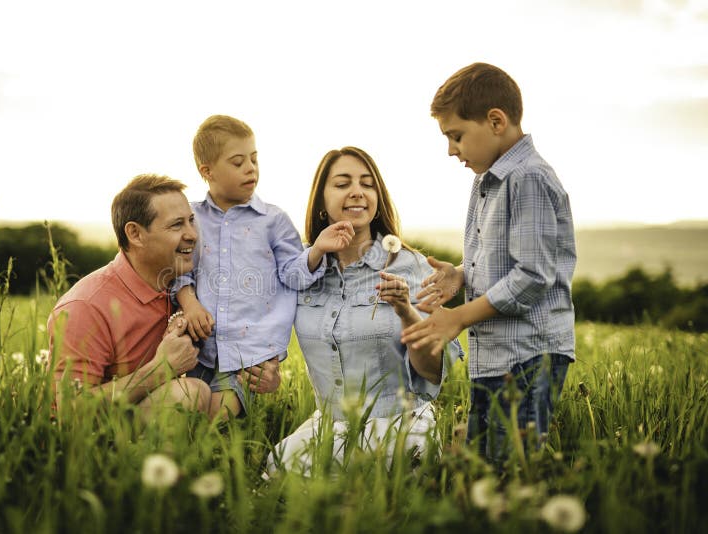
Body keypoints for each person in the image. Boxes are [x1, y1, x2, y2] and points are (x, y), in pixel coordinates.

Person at [401, 63, 576, 462]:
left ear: (496, 120)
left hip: (529, 353)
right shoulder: (487, 180)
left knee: (510, 466)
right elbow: (500, 260)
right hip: (496, 355)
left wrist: (458, 317)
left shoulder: (527, 177)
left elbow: (533, 275)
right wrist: (460, 275)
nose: (450, 150)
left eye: (456, 136)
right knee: (482, 464)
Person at [266, 146, 463, 476]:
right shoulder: (299, 268)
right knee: (277, 472)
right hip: (331, 428)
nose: (357, 191)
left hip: (400, 425)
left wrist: (405, 312)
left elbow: (433, 371)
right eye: (342, 183)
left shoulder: (409, 266)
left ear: (378, 197)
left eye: (367, 184)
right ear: (321, 201)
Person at [172, 115, 353, 419]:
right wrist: (189, 303)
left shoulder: (273, 220)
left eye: (254, 159)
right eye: (238, 161)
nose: (250, 168)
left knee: (217, 418)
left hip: (250, 358)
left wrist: (317, 249)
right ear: (207, 171)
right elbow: (179, 269)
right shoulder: (190, 217)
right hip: (198, 352)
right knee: (186, 412)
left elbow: (293, 274)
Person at [48, 174, 210, 419]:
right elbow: (71, 410)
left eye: (191, 221)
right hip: (92, 440)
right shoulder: (85, 307)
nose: (192, 235)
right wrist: (160, 369)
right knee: (188, 394)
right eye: (177, 225)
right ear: (135, 234)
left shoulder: (184, 286)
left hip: (145, 416)